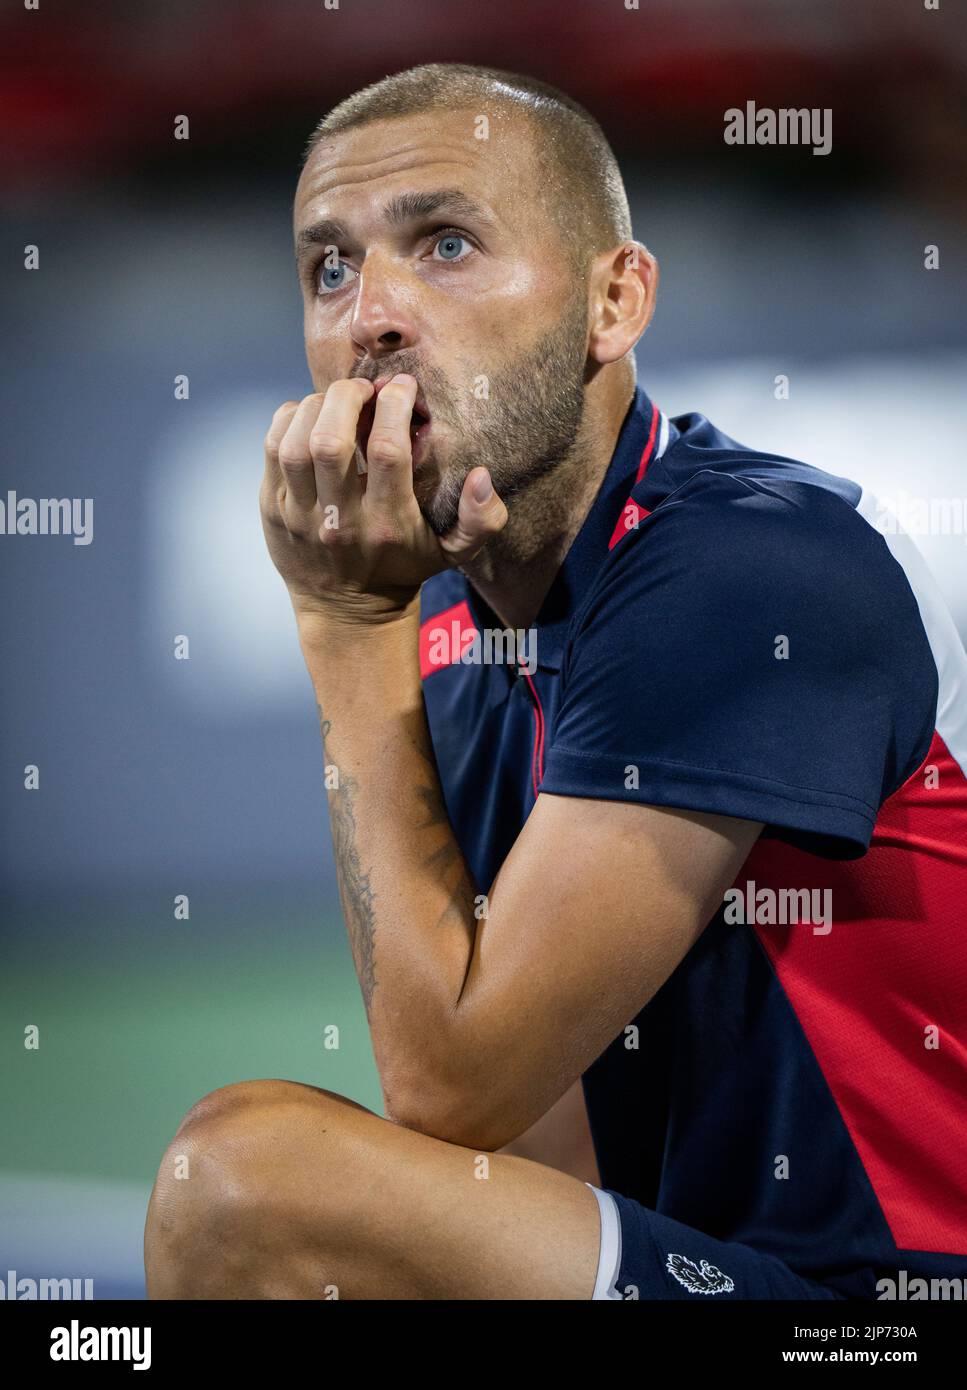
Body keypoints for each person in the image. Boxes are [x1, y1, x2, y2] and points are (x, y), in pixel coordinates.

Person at [144, 64, 967, 1301]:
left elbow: (454, 1079)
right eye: (330, 268)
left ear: (614, 301)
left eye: (447, 243)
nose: (371, 313)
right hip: (746, 1278)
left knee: (245, 1191)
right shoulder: (468, 638)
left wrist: (341, 620)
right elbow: (504, 1144)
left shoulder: (748, 571)